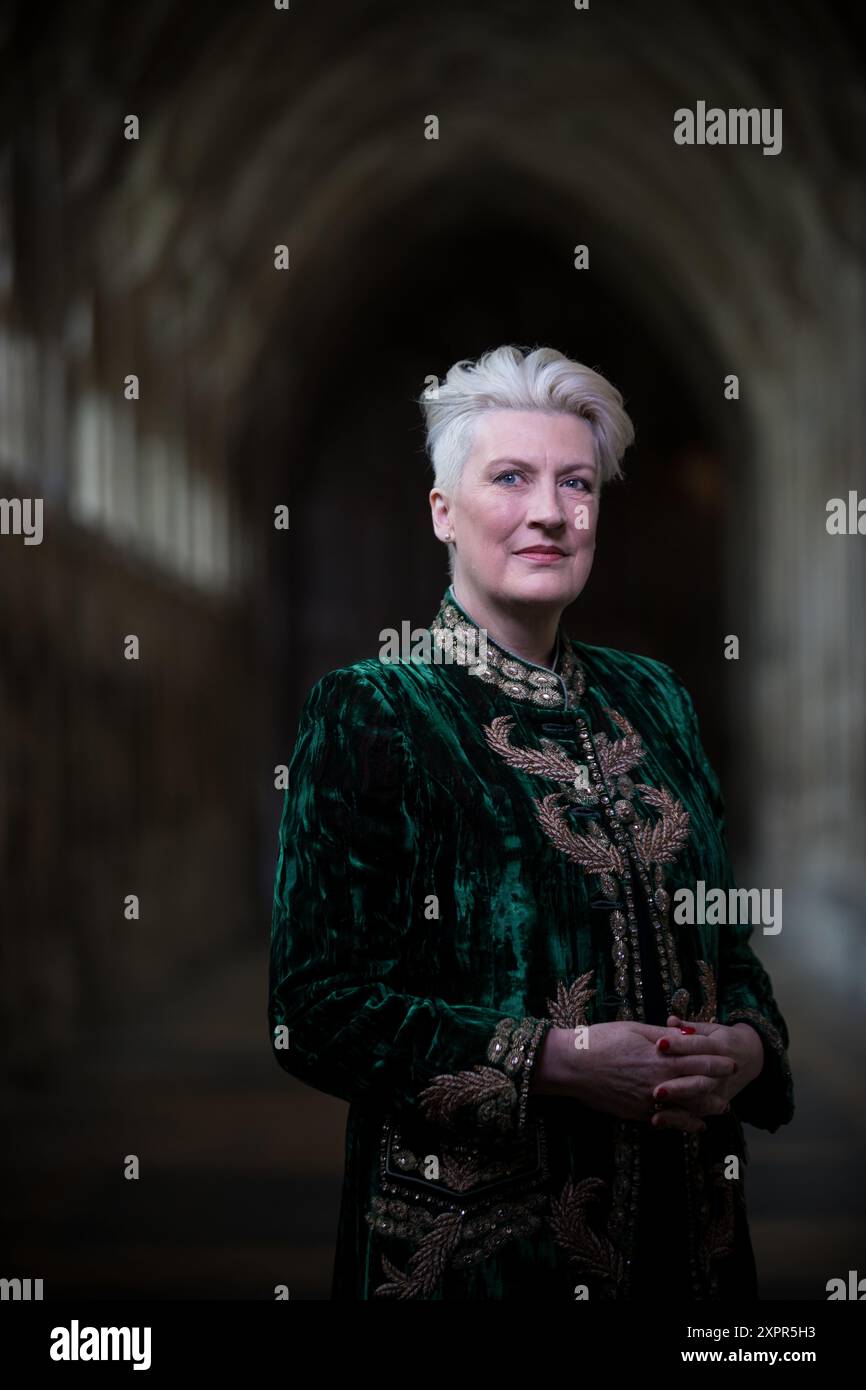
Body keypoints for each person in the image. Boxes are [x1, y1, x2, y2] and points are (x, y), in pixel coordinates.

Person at [268, 344, 794, 1301]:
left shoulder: (659, 701)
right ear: (443, 511)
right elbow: (313, 1012)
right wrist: (557, 1060)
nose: (550, 511)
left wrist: (748, 1047)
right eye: (510, 478)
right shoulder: (372, 712)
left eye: (576, 482)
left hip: (694, 1247)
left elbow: (734, 950)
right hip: (482, 1256)